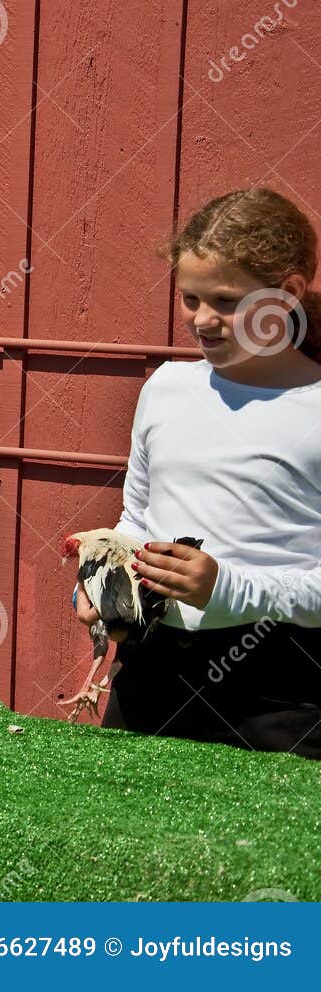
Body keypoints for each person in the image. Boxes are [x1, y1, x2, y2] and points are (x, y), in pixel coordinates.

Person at [74, 188, 321, 758]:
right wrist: (104, 583)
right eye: (190, 298)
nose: (203, 320)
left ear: (288, 294)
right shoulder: (166, 388)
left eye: (227, 301)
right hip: (150, 678)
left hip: (282, 696)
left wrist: (226, 589)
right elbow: (136, 516)